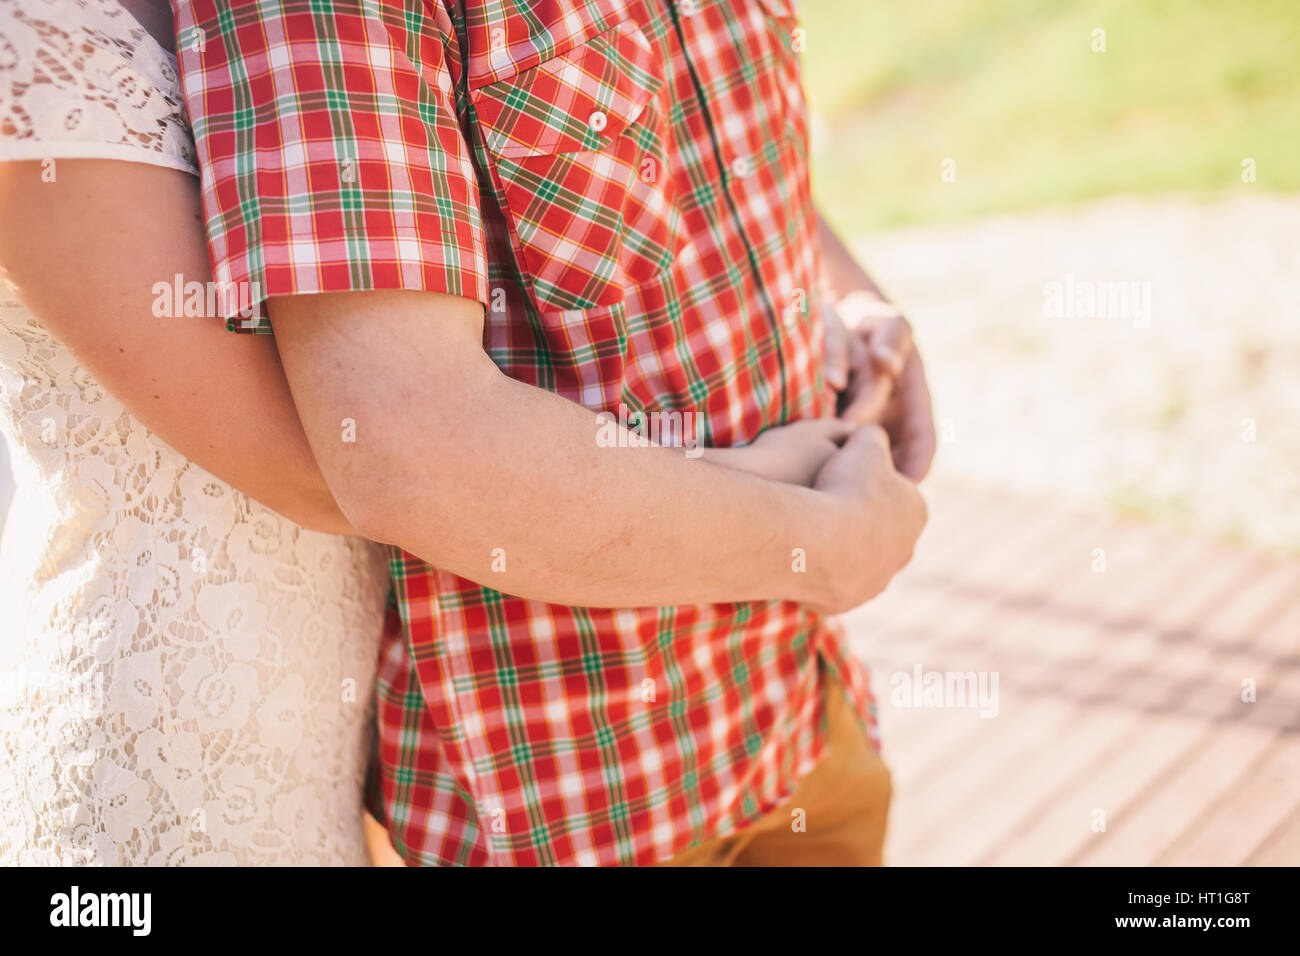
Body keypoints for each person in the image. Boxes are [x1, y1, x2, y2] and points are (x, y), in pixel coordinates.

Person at [0, 0, 887, 865]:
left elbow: (688, 133)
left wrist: (844, 296)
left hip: (769, 689)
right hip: (194, 719)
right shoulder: (41, 43)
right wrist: (798, 519)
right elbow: (382, 458)